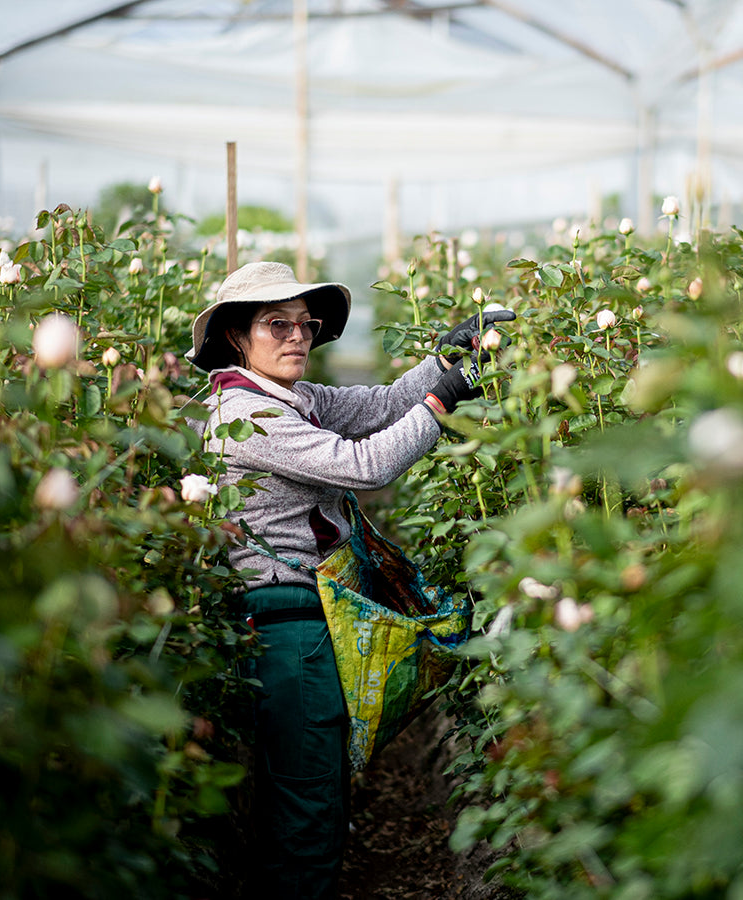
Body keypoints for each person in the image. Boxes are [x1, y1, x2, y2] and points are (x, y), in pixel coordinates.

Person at [184, 261, 514, 899]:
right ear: (235, 337)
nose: (296, 336)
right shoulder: (244, 418)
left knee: (314, 792)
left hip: (309, 623)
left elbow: (378, 405)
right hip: (287, 631)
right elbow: (365, 465)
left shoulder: (290, 397)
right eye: (275, 324)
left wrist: (447, 354)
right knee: (308, 804)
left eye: (304, 324)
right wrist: (443, 401)